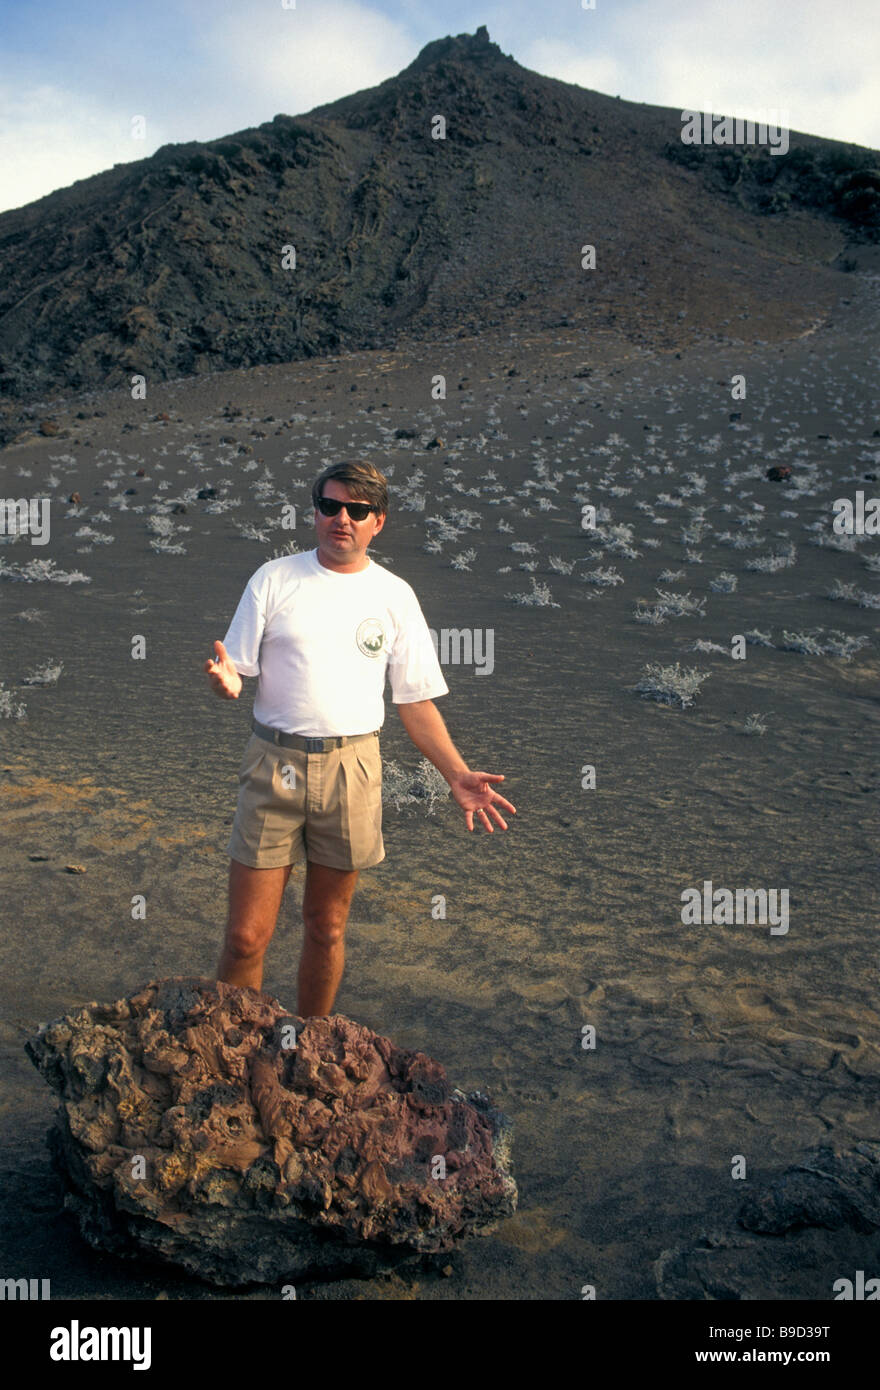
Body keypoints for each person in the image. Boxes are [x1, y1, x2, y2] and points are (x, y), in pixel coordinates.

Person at [204, 459, 516, 1017]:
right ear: (315, 513)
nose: (340, 519)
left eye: (357, 510)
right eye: (329, 506)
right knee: (246, 937)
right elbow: (238, 665)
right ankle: (232, 1047)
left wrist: (456, 775)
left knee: (326, 927)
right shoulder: (274, 579)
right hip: (274, 764)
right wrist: (229, 681)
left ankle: (310, 1043)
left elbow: (415, 701)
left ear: (379, 521)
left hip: (353, 768)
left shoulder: (395, 596)